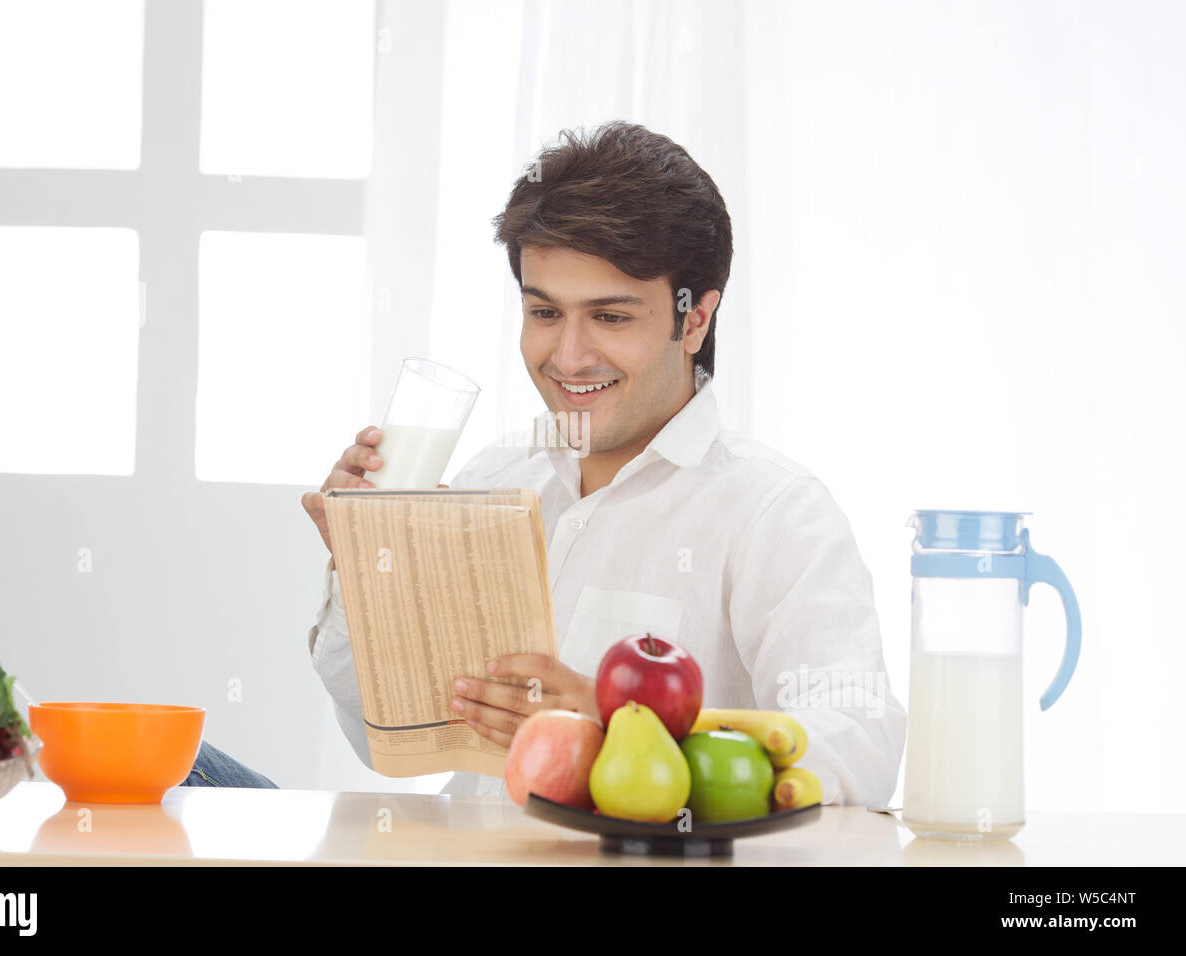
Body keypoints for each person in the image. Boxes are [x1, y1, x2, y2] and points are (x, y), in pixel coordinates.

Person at [303, 120, 906, 806]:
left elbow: (859, 748)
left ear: (696, 320)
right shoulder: (495, 477)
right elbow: (384, 740)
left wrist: (624, 724)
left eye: (611, 317)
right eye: (545, 312)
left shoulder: (775, 513)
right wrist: (366, 570)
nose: (568, 357)